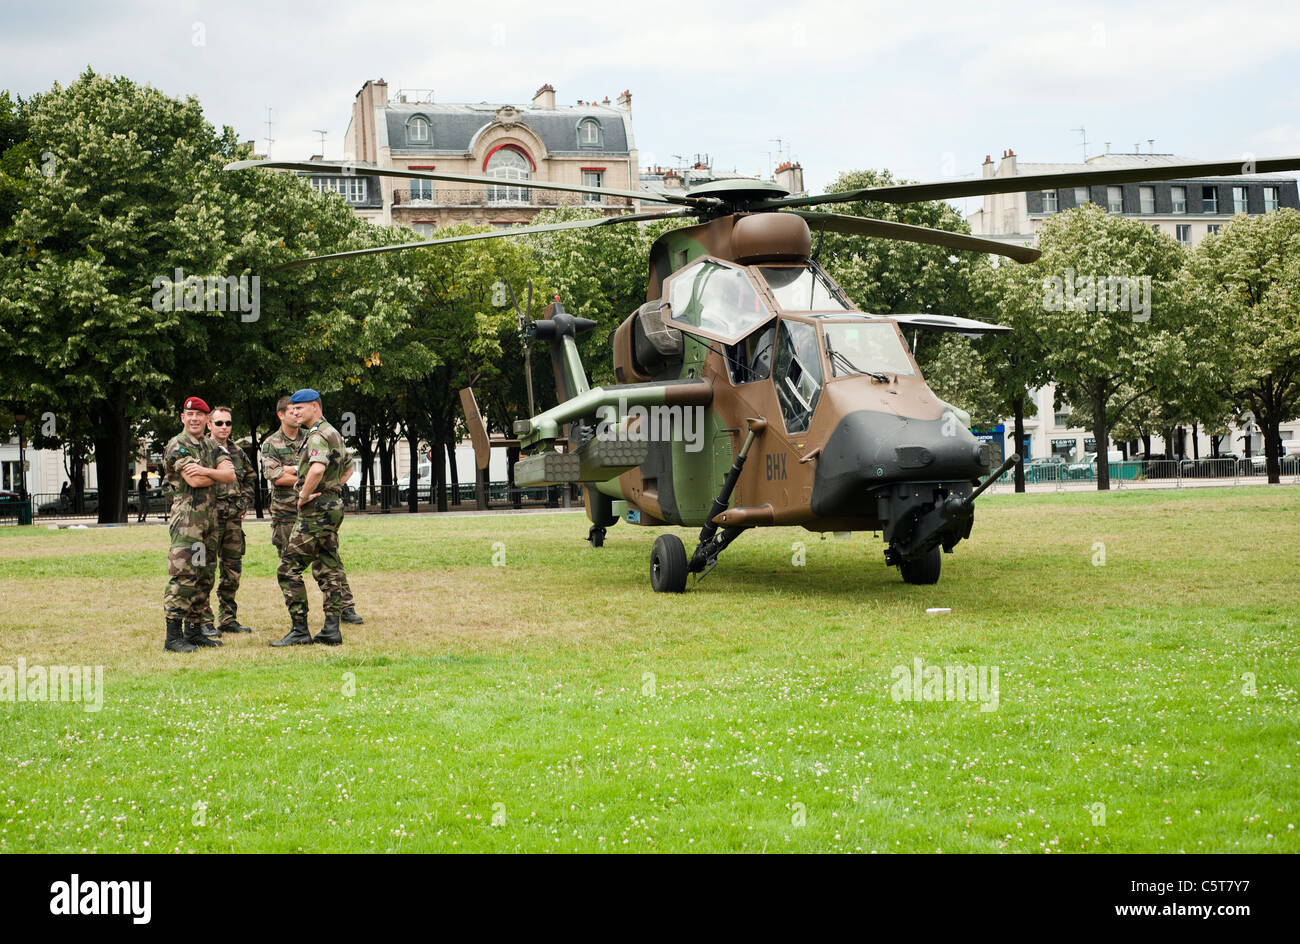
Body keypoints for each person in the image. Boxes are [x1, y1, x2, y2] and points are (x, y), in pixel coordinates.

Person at [260, 395, 363, 626]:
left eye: (299, 409)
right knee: (291, 562)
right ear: (281, 415)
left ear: (312, 408)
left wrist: (308, 483)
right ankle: (310, 620)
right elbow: (276, 477)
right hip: (286, 513)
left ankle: (342, 609)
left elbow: (340, 466)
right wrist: (306, 479)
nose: (296, 414)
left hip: (313, 508)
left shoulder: (314, 436)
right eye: (291, 410)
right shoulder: (271, 443)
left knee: (327, 560)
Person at [161, 396, 236, 653]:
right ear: (183, 417)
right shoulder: (177, 445)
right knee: (184, 576)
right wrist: (213, 474)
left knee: (203, 575)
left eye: (199, 415)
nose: (194, 419)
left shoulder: (210, 445)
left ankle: (194, 631)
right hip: (187, 522)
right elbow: (192, 481)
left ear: (206, 420)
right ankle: (173, 636)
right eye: (189, 415)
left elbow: (230, 475)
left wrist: (205, 472)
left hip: (209, 522)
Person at [196, 406, 257, 637]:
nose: (224, 428)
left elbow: (250, 478)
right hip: (207, 521)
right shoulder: (201, 450)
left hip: (232, 521)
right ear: (209, 424)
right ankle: (203, 620)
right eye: (219, 423)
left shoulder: (238, 453)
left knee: (232, 571)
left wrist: (244, 502)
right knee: (204, 570)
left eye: (228, 423)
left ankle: (228, 618)